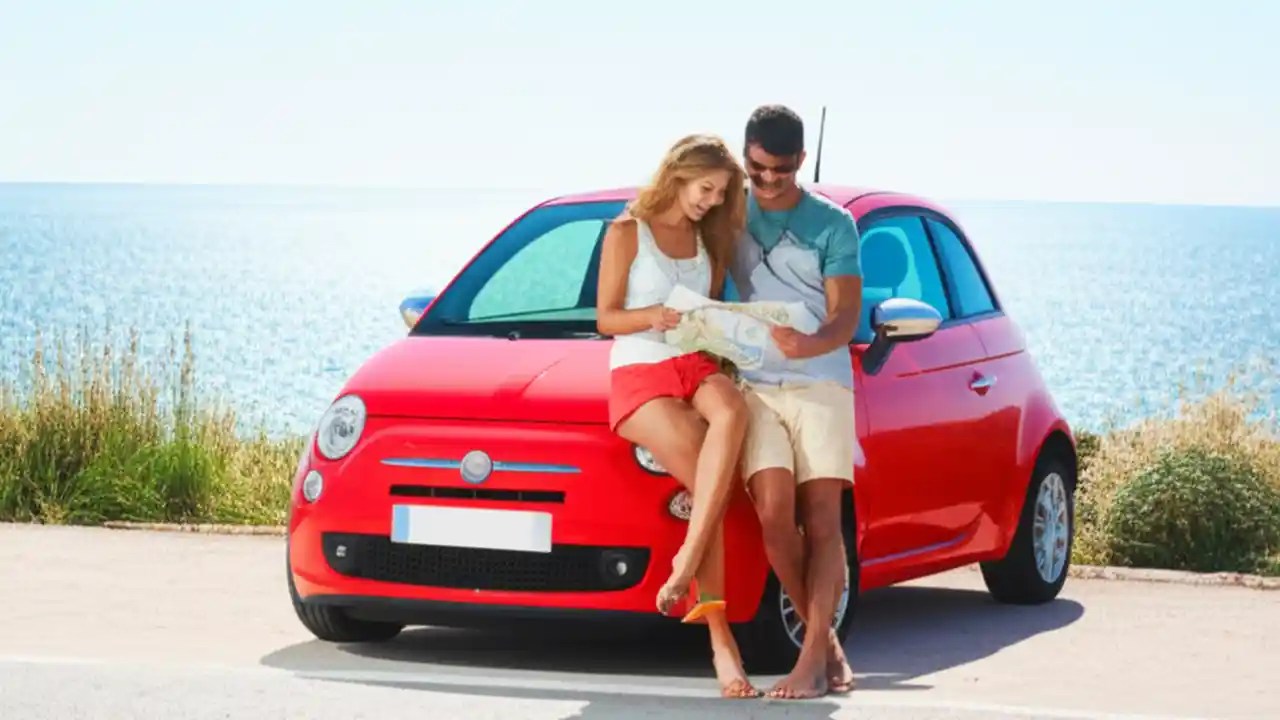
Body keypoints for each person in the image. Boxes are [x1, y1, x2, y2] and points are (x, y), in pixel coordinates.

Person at [595, 133, 757, 699]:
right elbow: (606, 318)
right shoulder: (626, 232)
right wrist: (653, 316)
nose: (711, 201)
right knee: (707, 486)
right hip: (640, 372)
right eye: (706, 188)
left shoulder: (706, 238)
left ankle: (686, 559)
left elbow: (706, 313)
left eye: (720, 194)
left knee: (733, 409)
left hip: (693, 363)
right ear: (680, 173)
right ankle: (721, 641)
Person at [728, 104, 863, 699]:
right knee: (773, 513)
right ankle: (825, 642)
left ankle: (809, 663)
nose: (768, 181)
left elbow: (846, 318)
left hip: (821, 381)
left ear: (800, 162)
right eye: (758, 169)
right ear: (746, 155)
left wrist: (808, 343)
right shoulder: (731, 209)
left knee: (824, 521)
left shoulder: (834, 225)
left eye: (780, 170)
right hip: (755, 385)